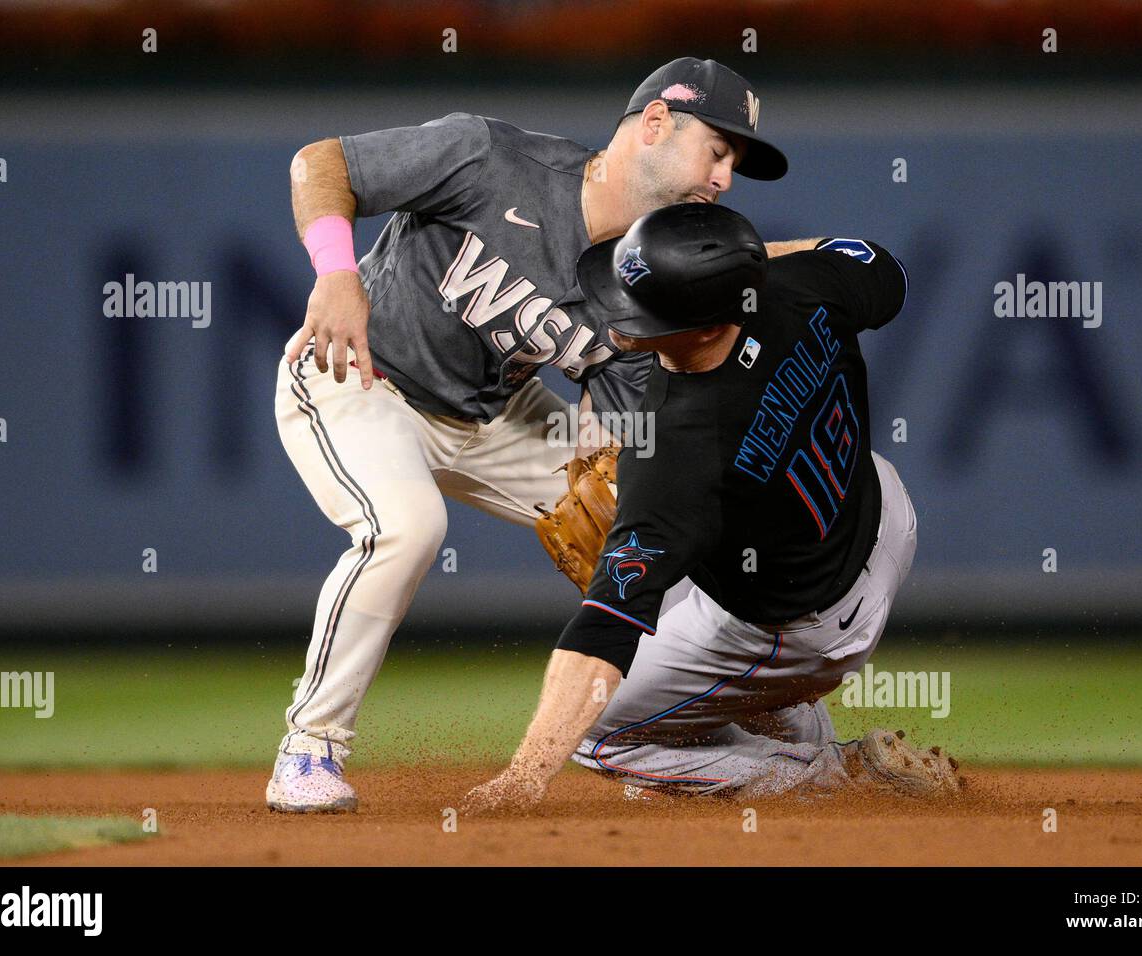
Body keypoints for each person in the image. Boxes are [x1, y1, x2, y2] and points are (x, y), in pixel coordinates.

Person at [268, 57, 814, 812]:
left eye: (734, 164)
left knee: (652, 537)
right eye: (717, 151)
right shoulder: (489, 158)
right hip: (359, 377)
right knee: (409, 526)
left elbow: (635, 422)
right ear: (655, 123)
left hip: (496, 415)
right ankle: (309, 750)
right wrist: (335, 275)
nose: (724, 179)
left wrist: (637, 478)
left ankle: (773, 727)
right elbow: (321, 163)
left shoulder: (652, 284)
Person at [464, 203, 960, 812]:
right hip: (884, 518)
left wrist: (526, 774)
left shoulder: (674, 451)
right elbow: (887, 270)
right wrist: (742, 268)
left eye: (644, 305)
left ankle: (831, 773)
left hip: (806, 634)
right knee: (711, 568)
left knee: (599, 737)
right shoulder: (802, 287)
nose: (618, 315)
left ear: (702, 327)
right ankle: (799, 724)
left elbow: (603, 632)